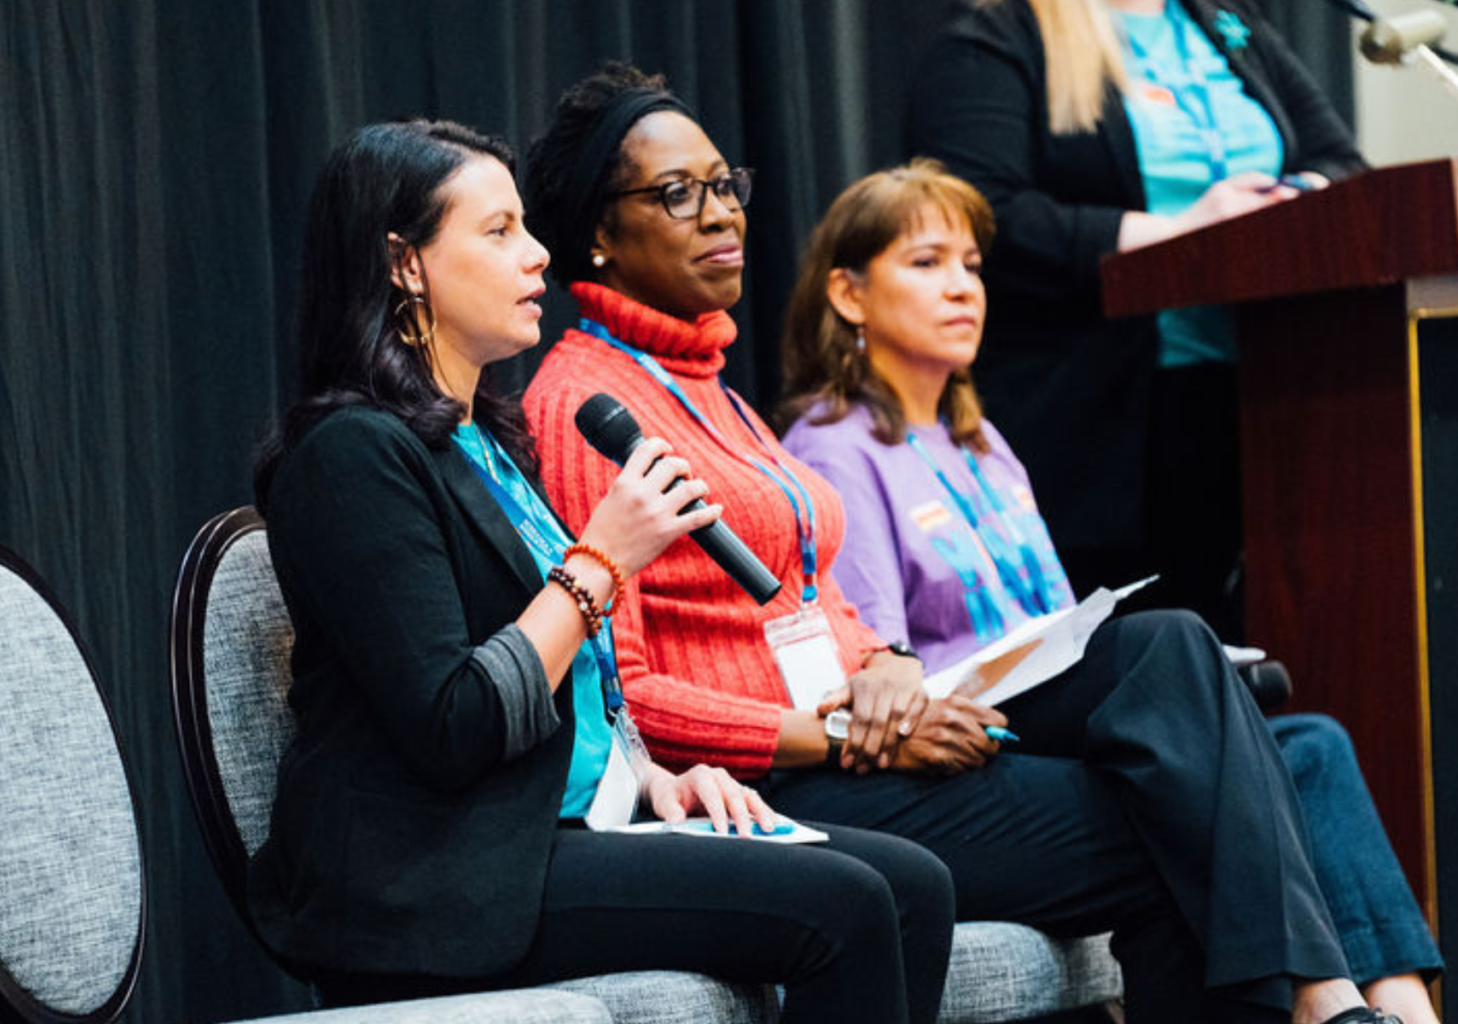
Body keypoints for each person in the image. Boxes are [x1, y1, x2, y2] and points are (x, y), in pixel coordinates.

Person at [521, 62, 1400, 1024]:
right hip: (772, 780)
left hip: (860, 736)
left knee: (1168, 645)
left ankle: (1331, 1006)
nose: (720, 213)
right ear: (599, 236)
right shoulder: (582, 406)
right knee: (1183, 818)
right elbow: (626, 696)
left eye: (727, 185)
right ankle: (1332, 1008)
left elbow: (815, 599)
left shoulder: (713, 387)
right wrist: (850, 730)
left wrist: (885, 663)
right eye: (676, 194)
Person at [244, 118, 955, 1024]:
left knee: (915, 884)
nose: (538, 255)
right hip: (438, 874)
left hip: (552, 830)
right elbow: (454, 722)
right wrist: (603, 561)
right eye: (498, 232)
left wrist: (655, 780)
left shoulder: (487, 445)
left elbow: (578, 694)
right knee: (850, 904)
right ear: (404, 263)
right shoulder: (351, 456)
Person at [777, 158, 1443, 1024]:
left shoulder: (983, 444)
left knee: (1311, 745)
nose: (961, 288)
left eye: (973, 266)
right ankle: (1325, 1007)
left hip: (1057, 721)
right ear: (849, 294)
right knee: (1172, 652)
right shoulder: (835, 446)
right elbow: (878, 661)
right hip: (970, 749)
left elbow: (1065, 629)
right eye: (926, 262)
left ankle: (1396, 1013)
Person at [907, 0, 1367, 640]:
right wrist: (1181, 234)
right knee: (1146, 649)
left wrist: (1291, 206)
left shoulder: (1224, 23)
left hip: (1264, 396)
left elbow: (1344, 165)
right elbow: (979, 214)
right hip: (1099, 421)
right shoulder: (998, 41)